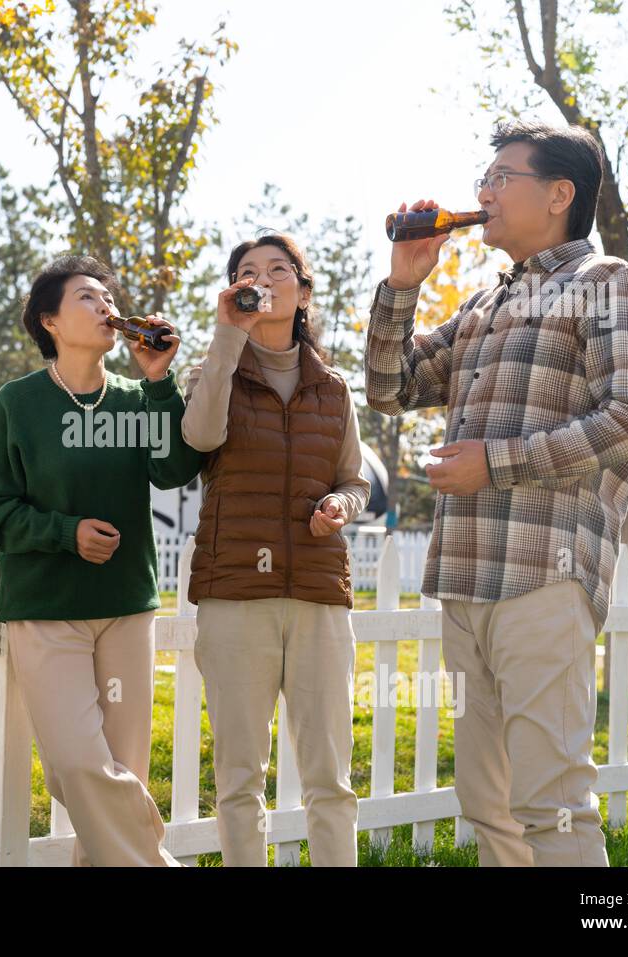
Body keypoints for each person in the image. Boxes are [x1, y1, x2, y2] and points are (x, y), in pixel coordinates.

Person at [365, 120, 628, 866]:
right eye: (485, 176)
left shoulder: (608, 285)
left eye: (503, 177)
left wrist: (494, 463)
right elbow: (389, 388)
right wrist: (402, 285)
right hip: (467, 578)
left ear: (560, 194)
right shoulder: (482, 304)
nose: (483, 191)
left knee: (550, 804)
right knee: (488, 804)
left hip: (545, 574)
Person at [0, 256, 202, 866]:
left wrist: (158, 380)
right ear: (50, 320)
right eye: (86, 298)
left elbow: (175, 469)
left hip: (126, 609)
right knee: (79, 766)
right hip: (46, 612)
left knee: (120, 775)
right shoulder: (19, 404)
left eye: (107, 297)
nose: (104, 307)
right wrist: (64, 534)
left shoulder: (134, 398)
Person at [181, 233, 371, 867]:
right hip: (235, 593)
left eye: (277, 269)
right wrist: (226, 337)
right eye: (246, 272)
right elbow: (202, 436)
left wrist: (342, 505)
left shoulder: (334, 389)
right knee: (240, 778)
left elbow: (355, 478)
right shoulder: (213, 371)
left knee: (331, 777)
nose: (262, 279)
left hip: (318, 593)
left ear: (302, 289)